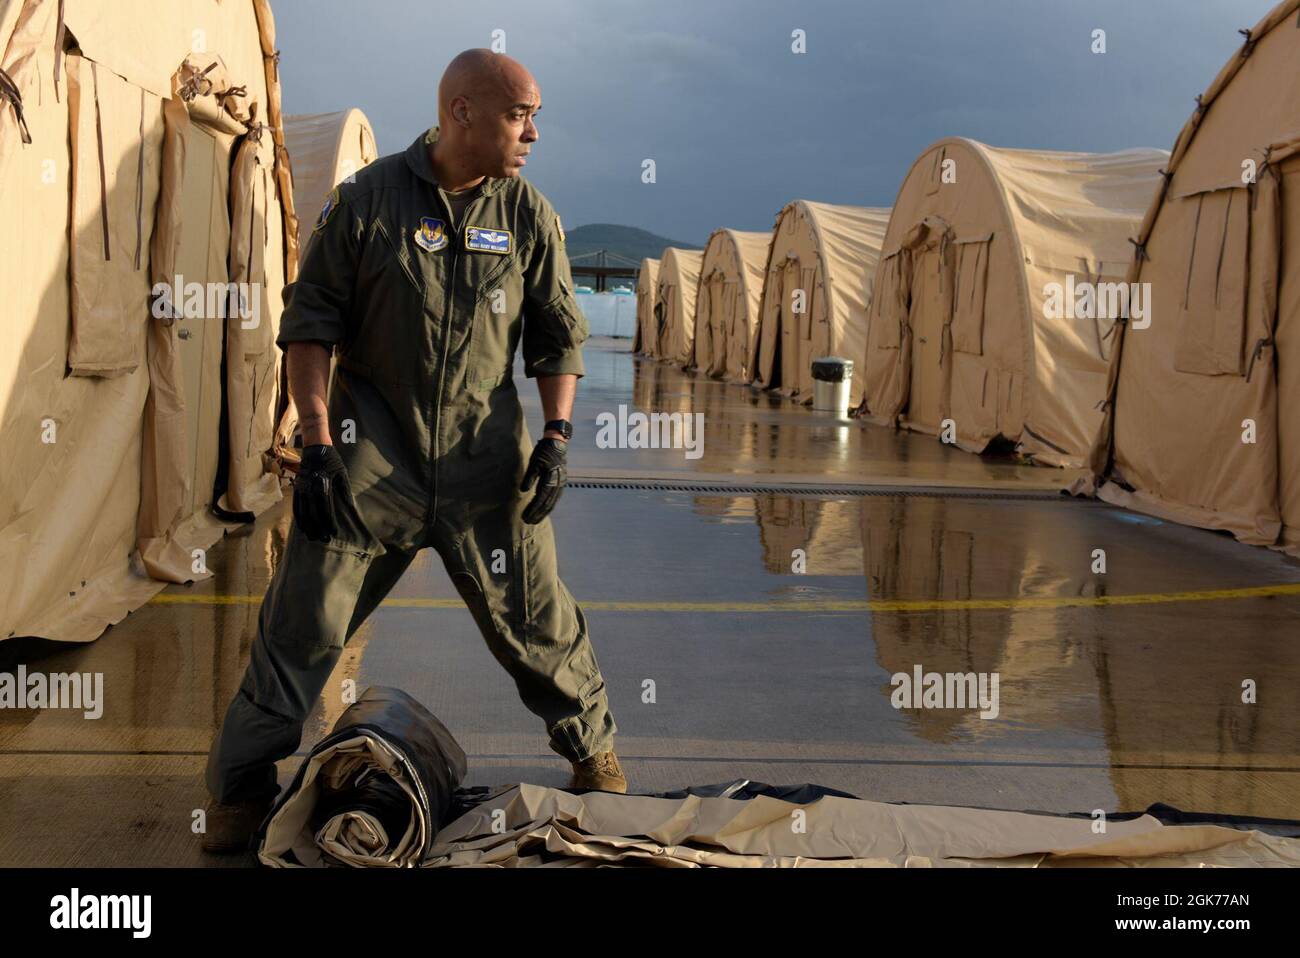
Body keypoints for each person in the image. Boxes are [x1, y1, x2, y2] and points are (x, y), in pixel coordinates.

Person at [201, 49, 624, 853]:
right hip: (370, 461)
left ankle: (595, 756)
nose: (533, 131)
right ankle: (238, 791)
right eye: (519, 113)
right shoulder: (367, 203)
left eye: (535, 116)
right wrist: (318, 443)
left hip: (484, 461)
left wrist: (558, 439)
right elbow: (311, 323)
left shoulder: (528, 215)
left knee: (535, 619)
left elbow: (556, 337)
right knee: (303, 627)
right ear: (462, 112)